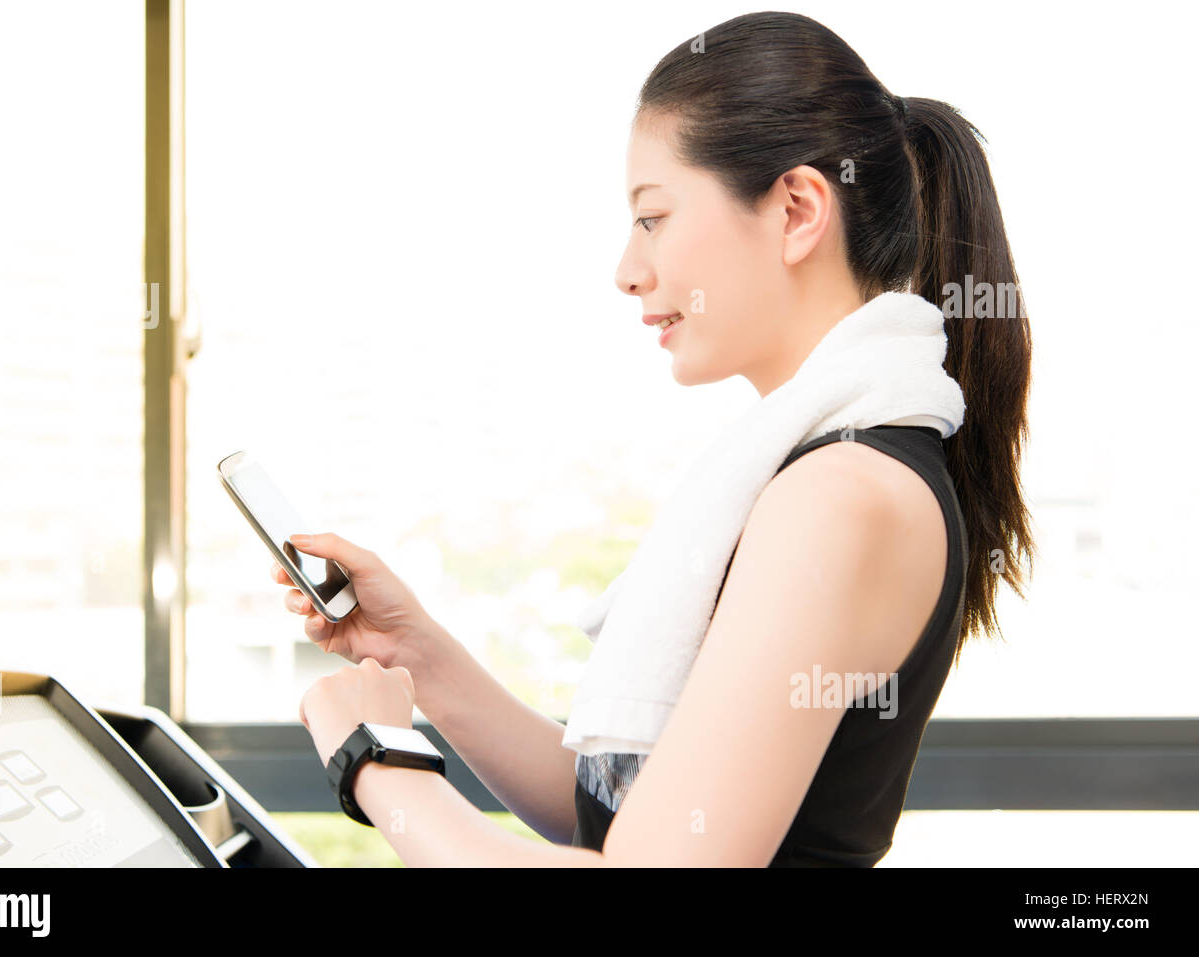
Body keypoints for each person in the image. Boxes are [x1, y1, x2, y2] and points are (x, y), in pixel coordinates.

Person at [281, 10, 1033, 867]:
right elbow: (609, 813)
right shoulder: (823, 470)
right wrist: (417, 653)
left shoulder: (842, 494)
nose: (627, 269)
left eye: (653, 217)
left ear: (795, 211)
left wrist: (374, 760)